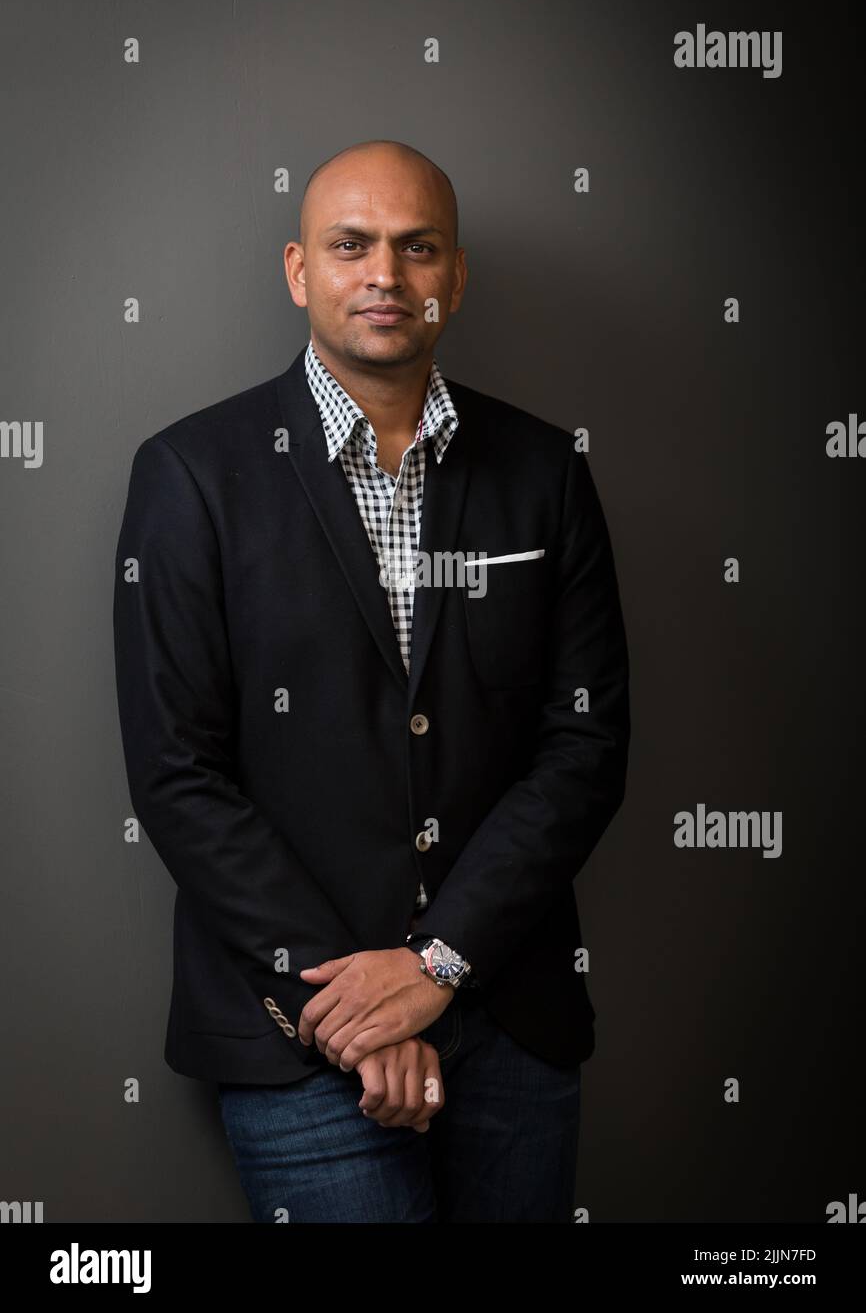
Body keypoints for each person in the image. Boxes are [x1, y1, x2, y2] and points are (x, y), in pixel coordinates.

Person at [112, 138, 630, 1222]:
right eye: (351, 246)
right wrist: (358, 1005)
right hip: (295, 1028)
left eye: (416, 247)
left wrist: (436, 966)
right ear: (300, 270)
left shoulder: (542, 472)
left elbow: (581, 747)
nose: (384, 276)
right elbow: (177, 771)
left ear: (455, 276)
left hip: (508, 1018)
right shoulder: (192, 476)